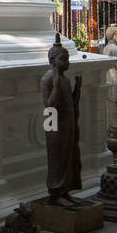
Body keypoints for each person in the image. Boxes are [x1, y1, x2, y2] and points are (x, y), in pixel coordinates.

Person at [41, 34, 83, 206]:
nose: (67, 63)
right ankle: (55, 191)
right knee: (57, 157)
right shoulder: (48, 79)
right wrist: (56, 86)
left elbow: (71, 104)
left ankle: (65, 190)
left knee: (70, 157)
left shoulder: (65, 78)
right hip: (54, 125)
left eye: (67, 60)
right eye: (63, 60)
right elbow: (50, 106)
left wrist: (78, 89)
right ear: (52, 60)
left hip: (68, 123)